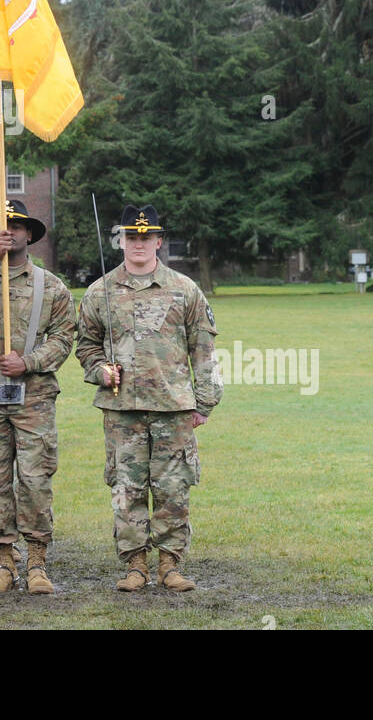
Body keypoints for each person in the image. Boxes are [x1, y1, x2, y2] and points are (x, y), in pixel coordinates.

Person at [75, 204, 223, 592]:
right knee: (127, 488)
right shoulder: (99, 292)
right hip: (122, 410)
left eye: (146, 237)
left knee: (173, 488)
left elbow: (202, 348)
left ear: (159, 241)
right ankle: (135, 565)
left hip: (173, 407)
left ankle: (170, 565)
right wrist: (99, 372)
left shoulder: (184, 289)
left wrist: (204, 403)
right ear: (120, 240)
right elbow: (86, 345)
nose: (138, 244)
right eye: (131, 237)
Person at [0, 201, 76, 594]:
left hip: (33, 394)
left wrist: (31, 361)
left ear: (30, 234)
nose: (11, 232)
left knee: (36, 478)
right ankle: (4, 561)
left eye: (18, 226)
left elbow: (64, 337)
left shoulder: (51, 286)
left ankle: (37, 560)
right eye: (2, 227)